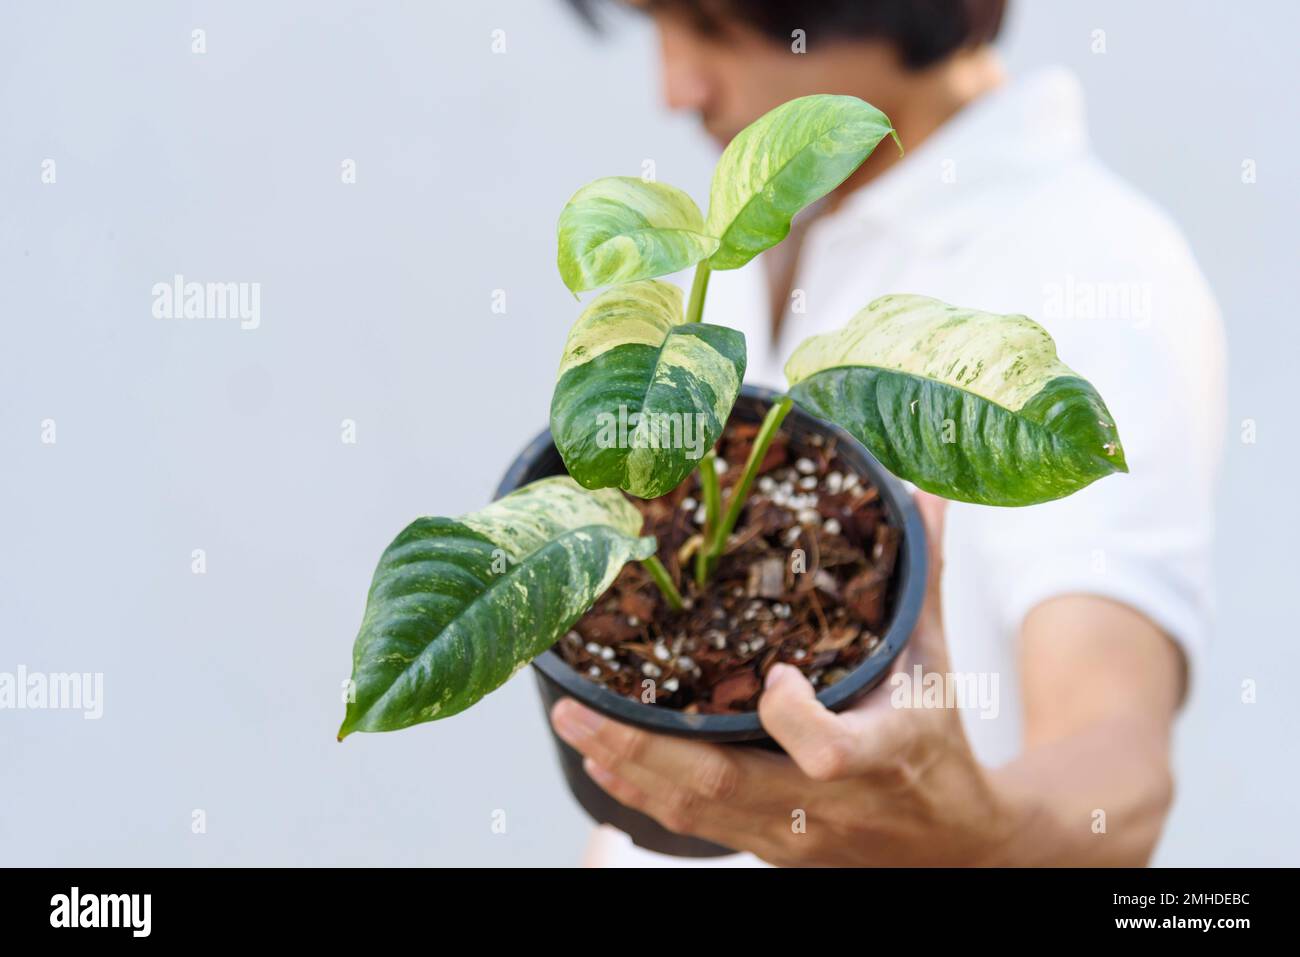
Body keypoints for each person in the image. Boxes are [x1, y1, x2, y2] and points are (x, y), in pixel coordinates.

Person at [553, 0, 1226, 866]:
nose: (675, 90)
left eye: (715, 28)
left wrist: (972, 837)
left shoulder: (1098, 267)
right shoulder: (757, 217)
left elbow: (1120, 768)